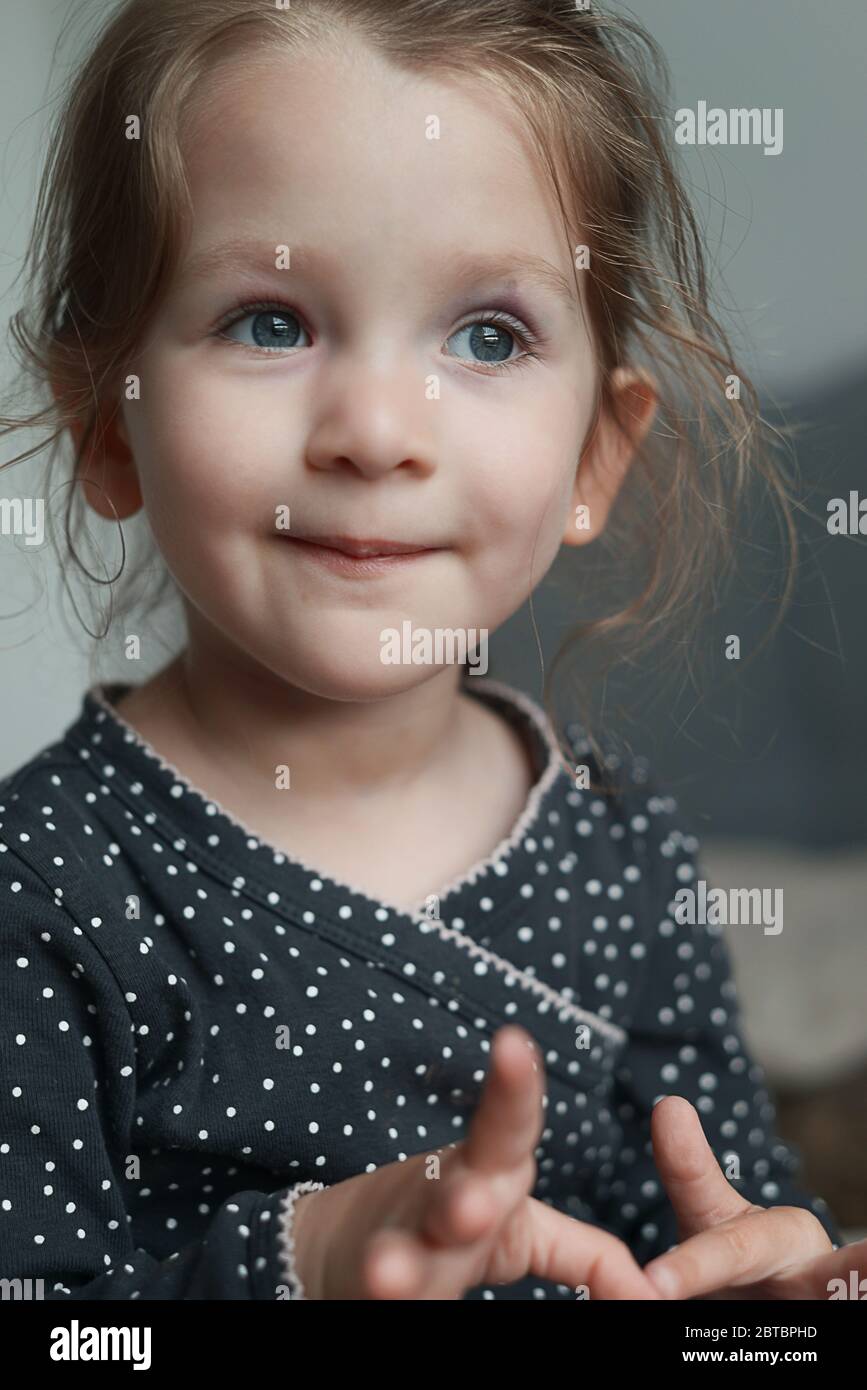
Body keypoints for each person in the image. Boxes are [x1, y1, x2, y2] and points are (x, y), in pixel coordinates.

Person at [0, 0, 859, 1300]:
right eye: (271, 322)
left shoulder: (625, 847)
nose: (379, 430)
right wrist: (299, 1259)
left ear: (592, 456)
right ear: (109, 424)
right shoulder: (47, 888)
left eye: (487, 336)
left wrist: (775, 1280)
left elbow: (724, 1218)